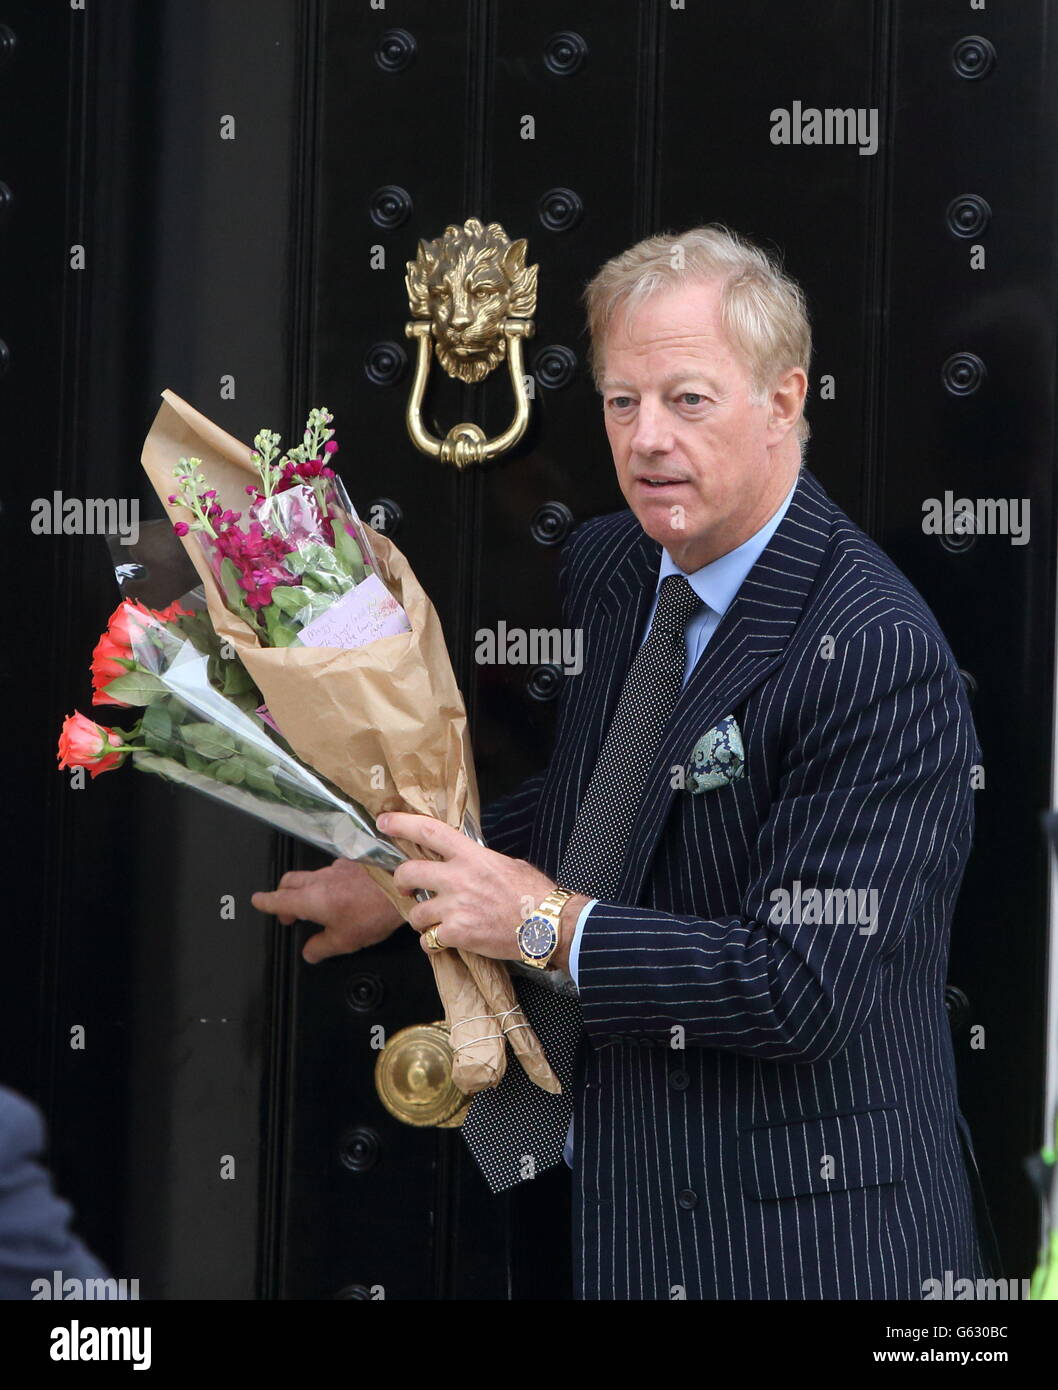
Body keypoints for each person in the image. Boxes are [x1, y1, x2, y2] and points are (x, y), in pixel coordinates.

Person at [253, 224, 990, 1300]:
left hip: (794, 1247)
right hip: (595, 1205)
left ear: (783, 401)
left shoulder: (872, 651)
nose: (646, 439)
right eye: (619, 401)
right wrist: (394, 877)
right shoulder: (612, 563)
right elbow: (608, 799)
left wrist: (541, 924)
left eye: (687, 399)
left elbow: (796, 985)